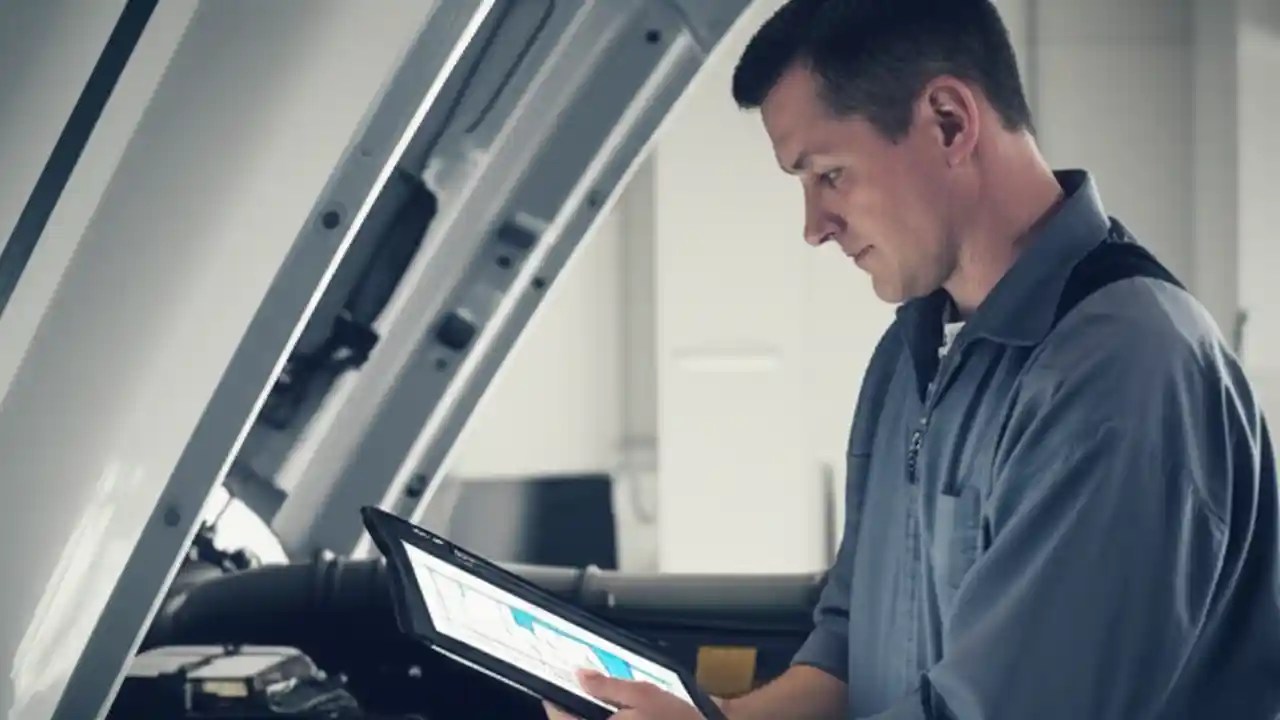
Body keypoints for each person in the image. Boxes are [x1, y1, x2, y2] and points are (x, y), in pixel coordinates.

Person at [549, 0, 1280, 717]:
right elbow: (844, 650)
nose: (814, 227)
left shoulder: (1124, 371)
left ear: (948, 121)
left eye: (829, 174)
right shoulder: (909, 357)